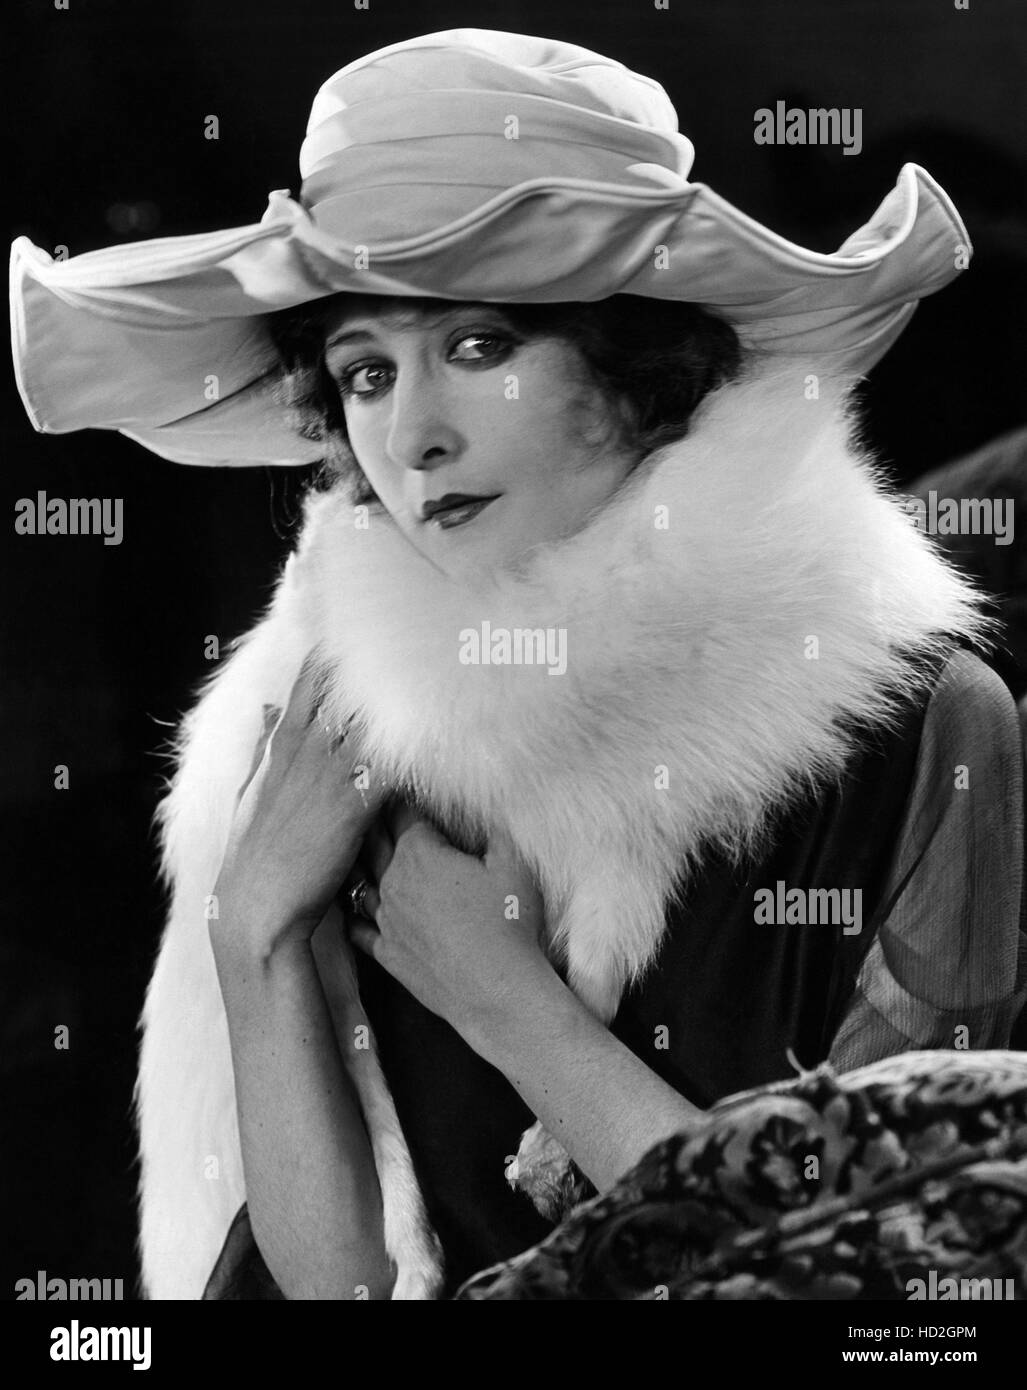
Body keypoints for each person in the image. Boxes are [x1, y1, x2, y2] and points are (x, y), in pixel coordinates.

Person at [9, 28, 1026, 1301]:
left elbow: (903, 1288)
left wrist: (514, 1012)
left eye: (480, 347)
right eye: (365, 372)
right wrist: (255, 936)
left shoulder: (919, 723)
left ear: (639, 362)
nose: (415, 436)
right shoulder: (322, 735)